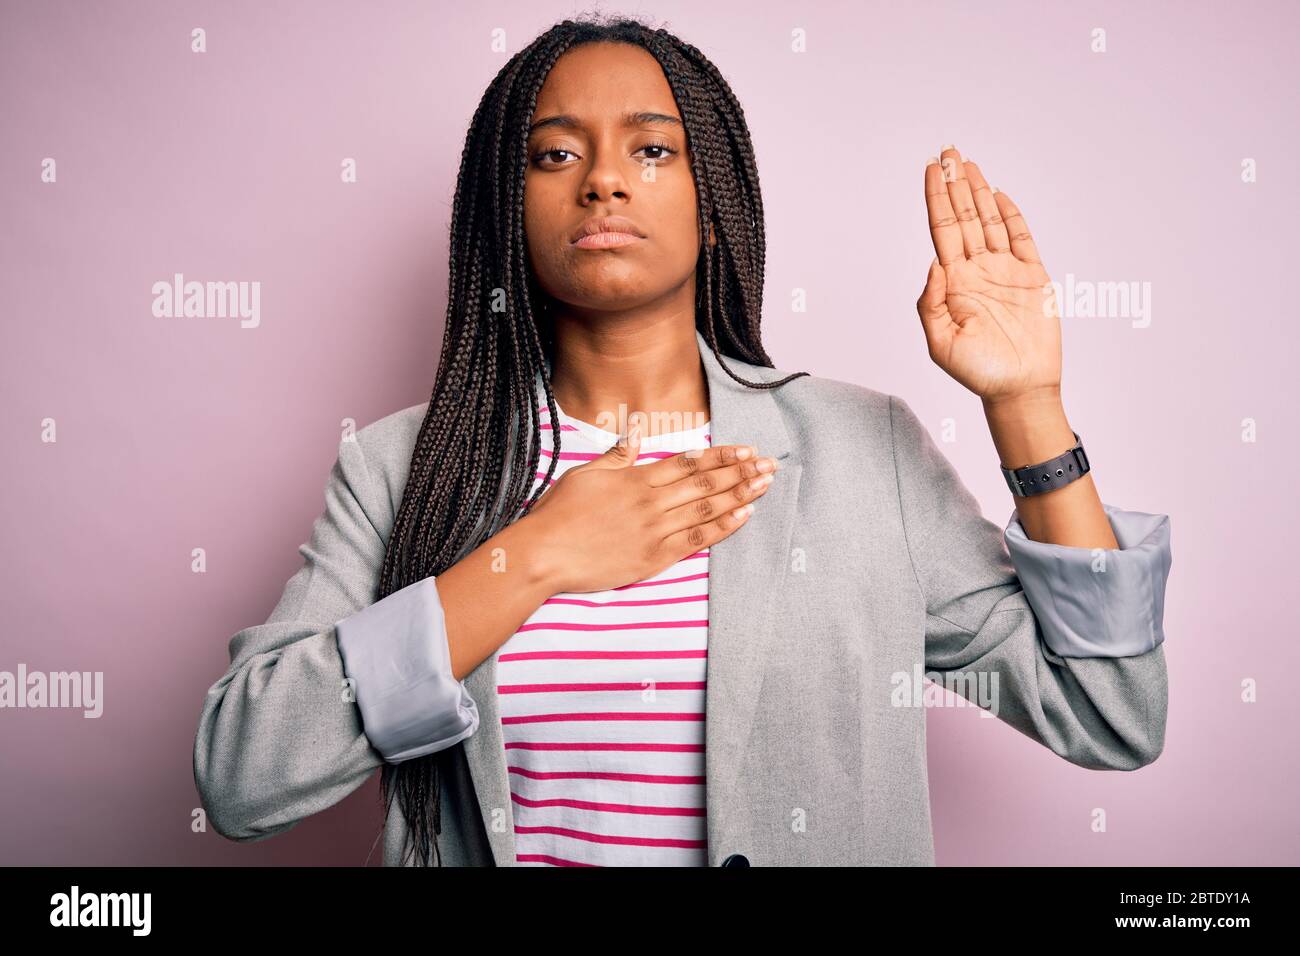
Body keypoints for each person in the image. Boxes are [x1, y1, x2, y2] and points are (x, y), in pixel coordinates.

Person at [193, 14, 1171, 867]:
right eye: (553, 153)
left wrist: (1028, 403)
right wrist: (531, 556)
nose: (604, 181)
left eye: (652, 150)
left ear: (714, 209)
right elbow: (242, 773)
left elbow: (1109, 711)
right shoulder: (397, 469)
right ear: (509, 206)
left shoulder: (861, 449)